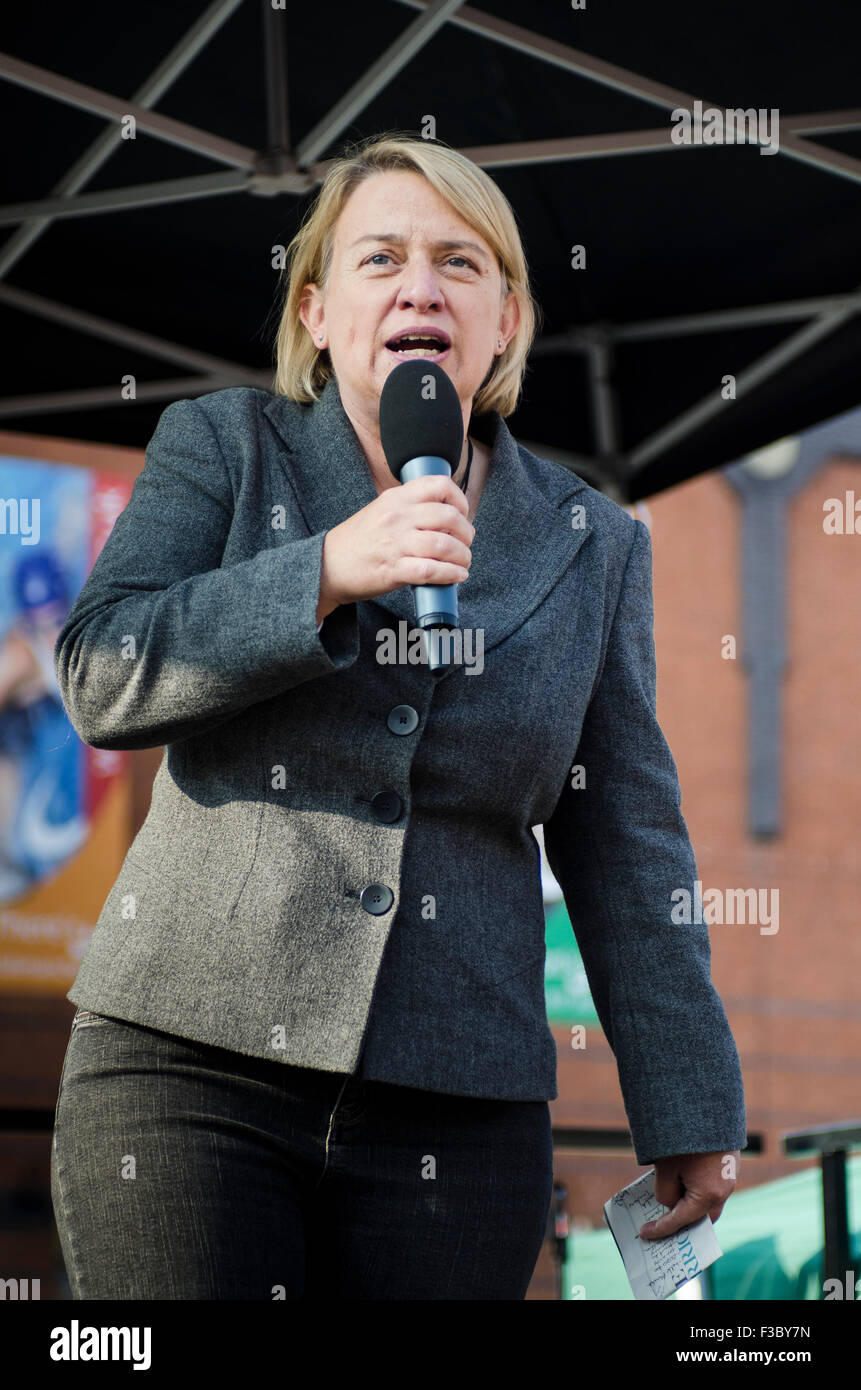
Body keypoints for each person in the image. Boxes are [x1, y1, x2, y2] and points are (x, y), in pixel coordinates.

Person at [50, 132, 746, 1301]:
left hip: (460, 1103)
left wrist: (688, 1100)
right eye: (382, 259)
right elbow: (103, 673)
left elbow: (627, 838)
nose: (421, 286)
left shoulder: (594, 542)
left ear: (507, 319)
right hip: (191, 1070)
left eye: (459, 263)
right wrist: (319, 570)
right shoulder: (224, 448)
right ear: (317, 312)